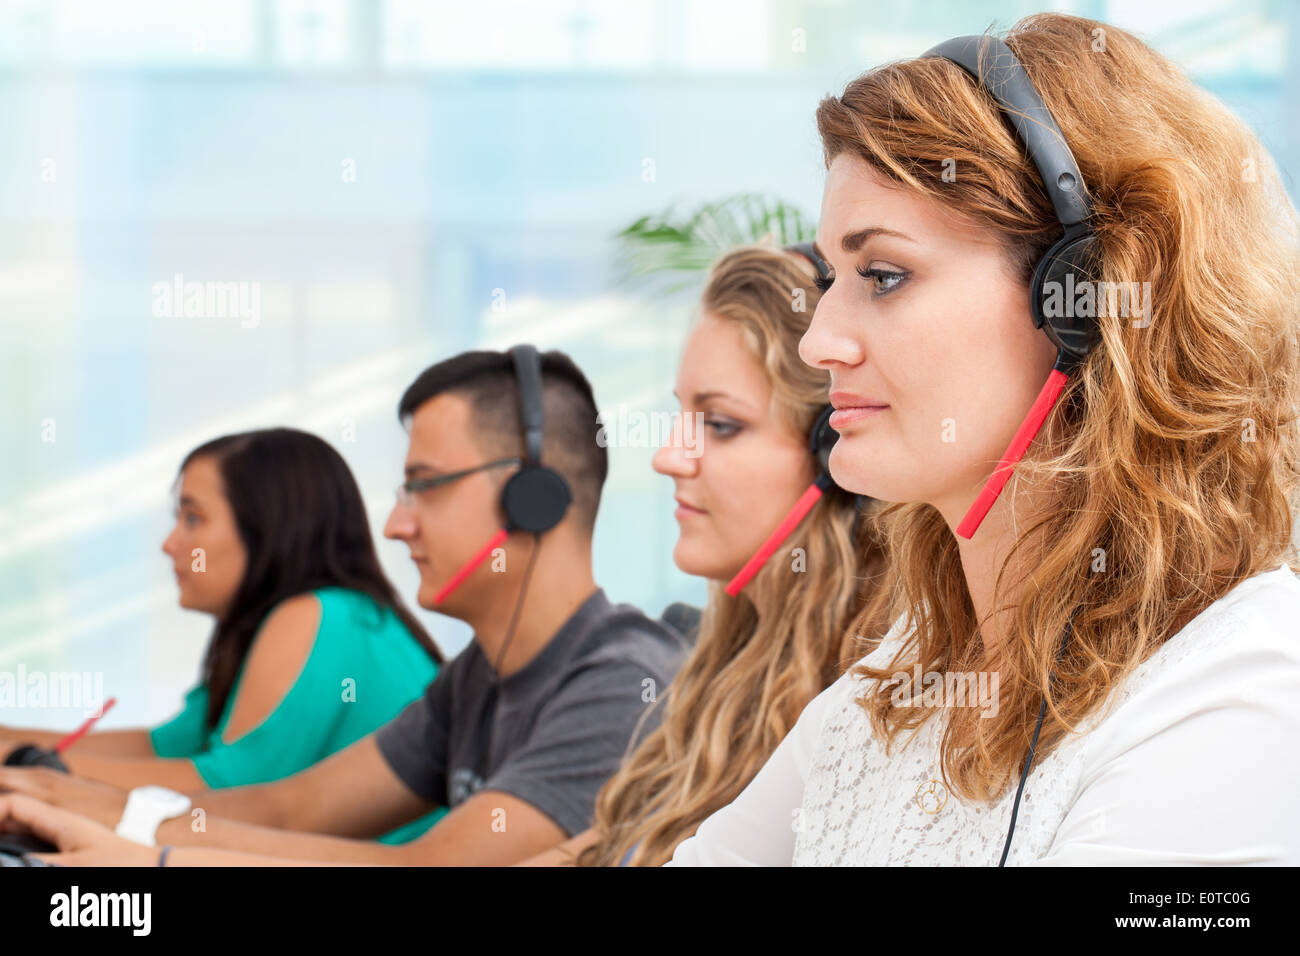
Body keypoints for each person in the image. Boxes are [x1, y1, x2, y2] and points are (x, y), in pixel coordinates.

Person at [669, 13, 1300, 866]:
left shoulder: (1242, 686)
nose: (819, 342)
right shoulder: (902, 675)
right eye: (832, 279)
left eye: (883, 276)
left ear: (1081, 299)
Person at [0, 347, 689, 866]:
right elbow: (292, 807)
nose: (395, 524)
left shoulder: (620, 684)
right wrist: (71, 801)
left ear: (532, 499)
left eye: (425, 486)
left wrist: (141, 846)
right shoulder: (478, 676)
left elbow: (427, 871)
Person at [517, 244, 889, 867]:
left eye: (719, 425)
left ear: (832, 452)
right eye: (680, 413)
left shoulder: (871, 701)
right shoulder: (728, 670)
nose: (669, 456)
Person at [0, 428, 447, 845]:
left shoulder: (321, 614)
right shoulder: (305, 619)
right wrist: (16, 749)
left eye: (193, 518)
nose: (170, 543)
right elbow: (163, 748)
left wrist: (37, 770)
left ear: (269, 526)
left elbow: (230, 788)